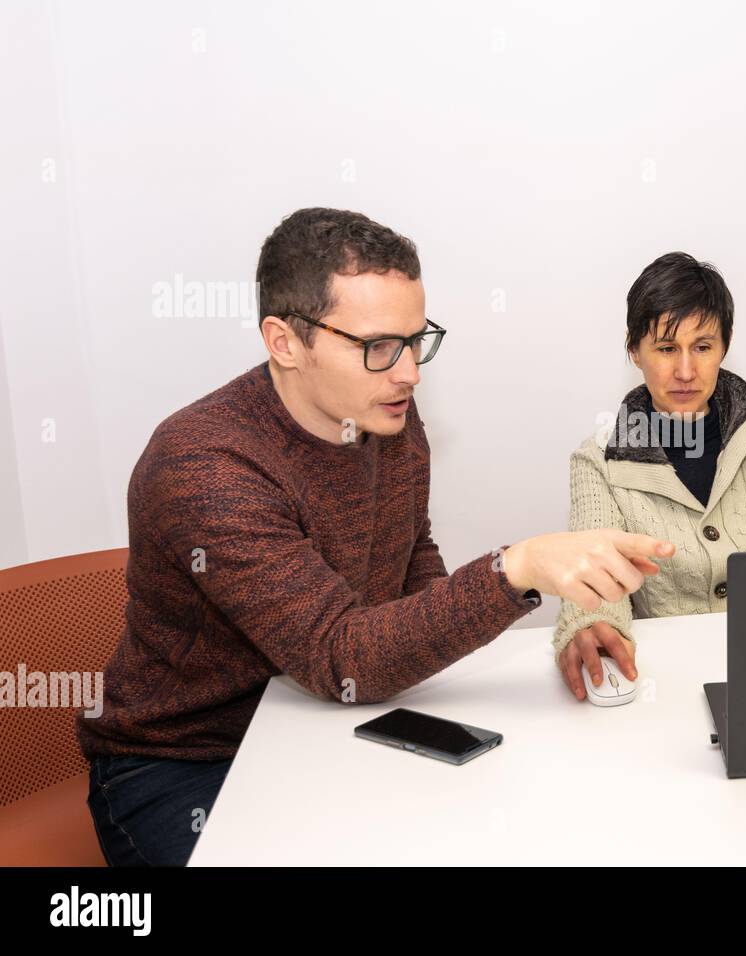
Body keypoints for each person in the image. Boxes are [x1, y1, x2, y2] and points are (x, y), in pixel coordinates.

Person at [77, 208, 673, 865]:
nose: (410, 372)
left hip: (332, 718)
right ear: (285, 341)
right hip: (188, 763)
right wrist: (517, 568)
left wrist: (482, 635)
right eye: (380, 346)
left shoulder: (382, 407)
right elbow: (339, 657)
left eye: (418, 340)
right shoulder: (203, 465)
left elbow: (411, 550)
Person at [552, 252, 746, 698]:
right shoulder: (598, 460)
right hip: (667, 681)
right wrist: (594, 626)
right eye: (665, 348)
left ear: (725, 345)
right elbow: (598, 584)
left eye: (702, 347)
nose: (685, 371)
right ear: (633, 350)